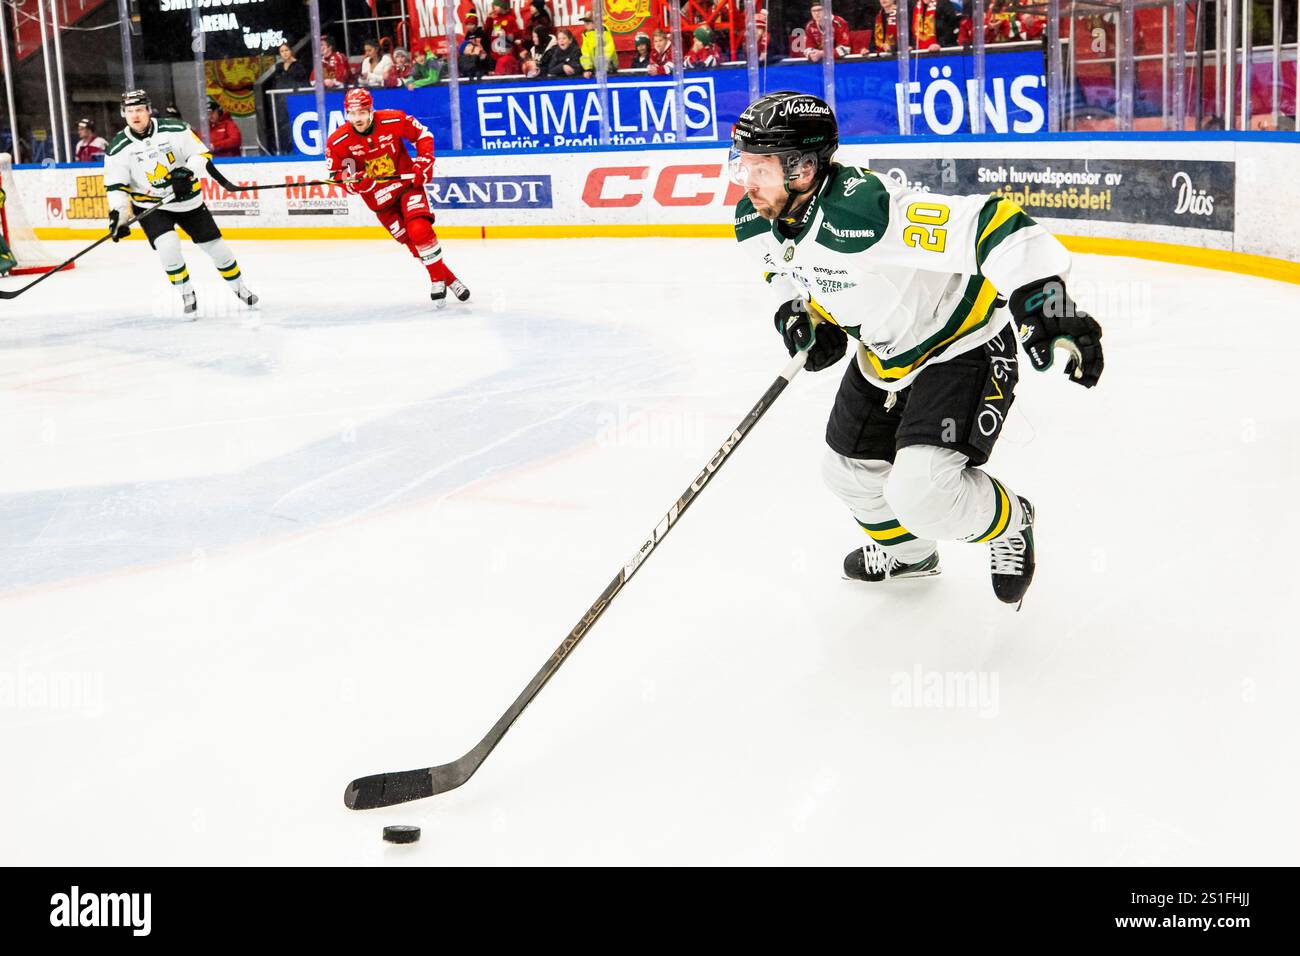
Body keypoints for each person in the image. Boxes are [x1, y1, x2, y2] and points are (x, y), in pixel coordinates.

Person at [729, 92, 1104, 604]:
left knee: (922, 493)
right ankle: (912, 557)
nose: (747, 182)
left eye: (761, 169)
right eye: (742, 165)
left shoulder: (865, 211)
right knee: (846, 473)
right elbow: (781, 269)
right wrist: (798, 312)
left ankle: (1012, 521)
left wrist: (1044, 298)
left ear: (803, 169)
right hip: (883, 358)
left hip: (962, 346)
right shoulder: (755, 218)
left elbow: (989, 223)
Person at [104, 90, 258, 317]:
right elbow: (116, 186)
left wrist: (186, 172)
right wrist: (119, 216)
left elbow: (201, 155)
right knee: (168, 246)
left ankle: (240, 288)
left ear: (148, 110)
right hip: (150, 207)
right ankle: (186, 293)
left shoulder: (175, 129)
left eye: (139, 110)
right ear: (123, 114)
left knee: (217, 248)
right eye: (129, 111)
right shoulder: (117, 147)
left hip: (188, 201)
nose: (135, 115)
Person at [324, 88, 469, 308]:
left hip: (406, 185)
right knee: (412, 244)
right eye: (352, 114)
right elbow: (338, 175)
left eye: (362, 112)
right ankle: (450, 279)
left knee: (420, 230)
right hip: (379, 201)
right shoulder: (339, 141)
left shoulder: (393, 119)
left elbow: (423, 136)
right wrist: (357, 182)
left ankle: (436, 279)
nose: (357, 119)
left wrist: (422, 163)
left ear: (371, 110)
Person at [578, 12, 618, 77]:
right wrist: (588, 69)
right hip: (595, 71)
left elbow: (608, 50)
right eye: (585, 22)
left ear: (596, 23)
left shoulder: (604, 31)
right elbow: (585, 53)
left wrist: (602, 67)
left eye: (588, 22)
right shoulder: (586, 35)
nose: (585, 25)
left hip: (609, 69)